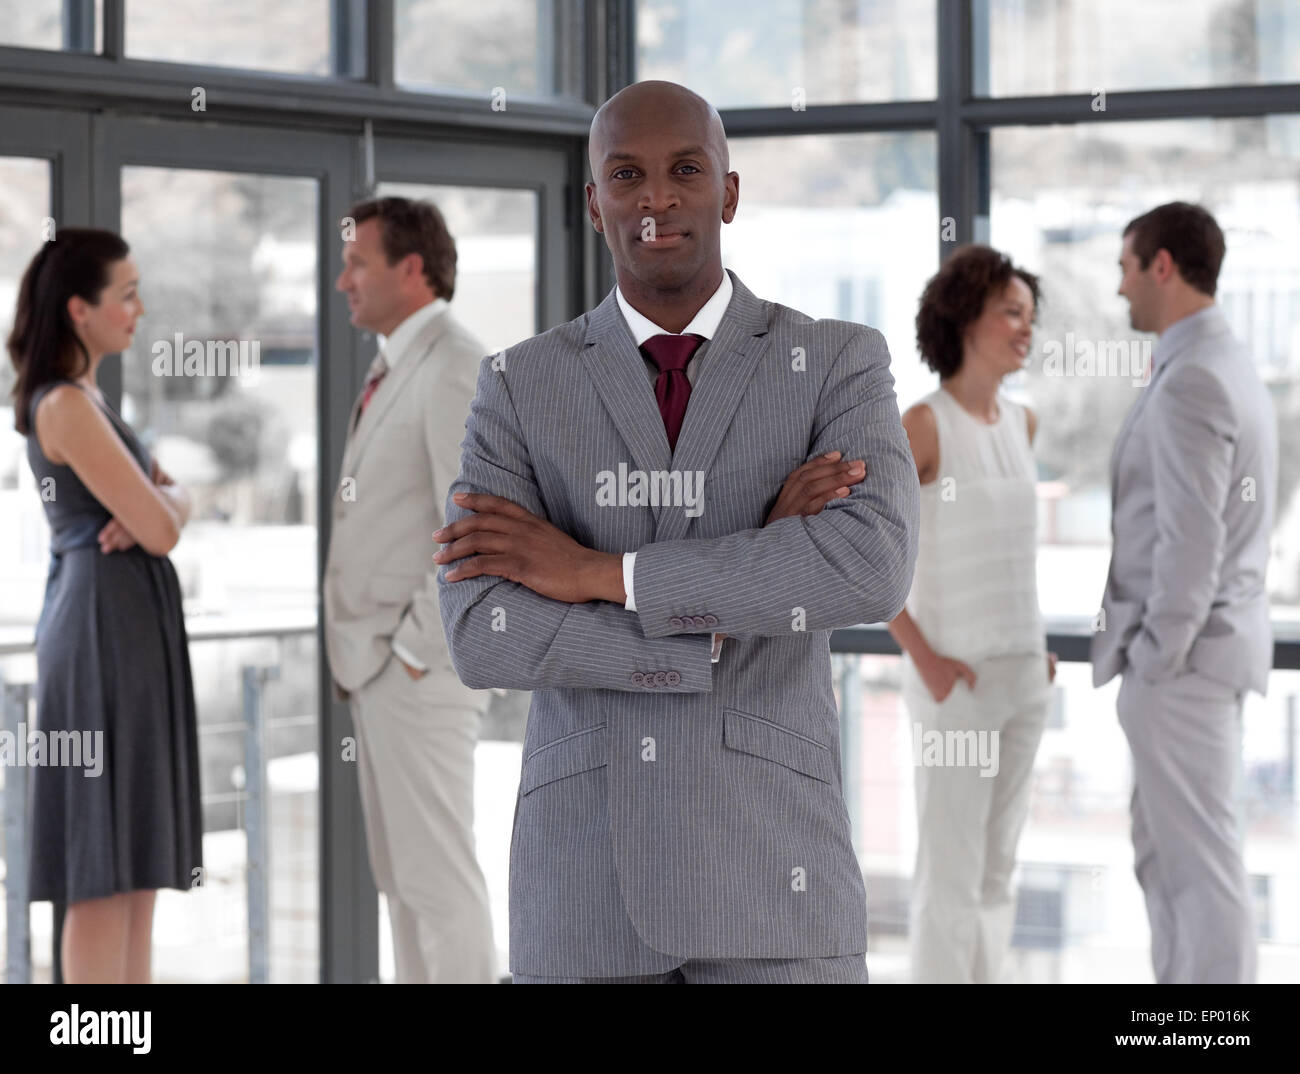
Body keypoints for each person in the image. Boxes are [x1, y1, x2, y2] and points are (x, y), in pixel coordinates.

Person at [433, 80, 919, 984]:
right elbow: (480, 633)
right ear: (594, 202)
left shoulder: (837, 363)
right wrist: (737, 599)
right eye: (627, 175)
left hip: (775, 881)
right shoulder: (519, 384)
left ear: (728, 192)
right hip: (583, 890)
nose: (655, 198)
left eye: (684, 170)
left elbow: (868, 567)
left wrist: (597, 572)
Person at [6, 228, 201, 984]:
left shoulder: (89, 399)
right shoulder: (66, 406)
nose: (140, 308)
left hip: (124, 626)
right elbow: (159, 523)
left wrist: (169, 500)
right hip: (99, 632)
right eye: (126, 294)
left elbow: (171, 504)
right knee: (101, 869)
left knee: (138, 866)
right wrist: (167, 503)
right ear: (80, 310)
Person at [1093, 201, 1277, 984]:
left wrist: (1157, 660)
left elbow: (1191, 543)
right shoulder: (1216, 359)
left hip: (1186, 668)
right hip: (1197, 662)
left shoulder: (1193, 376)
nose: (1120, 286)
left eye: (1127, 267)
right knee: (1169, 860)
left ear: (1163, 266)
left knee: (1200, 869)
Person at [324, 196, 496, 983]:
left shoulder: (454, 362)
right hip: (379, 672)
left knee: (439, 886)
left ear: (412, 269)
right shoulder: (396, 361)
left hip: (416, 672)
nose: (342, 281)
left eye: (357, 263)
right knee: (402, 887)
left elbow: (475, 528)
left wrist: (413, 653)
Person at [889, 244, 1055, 983]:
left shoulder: (1024, 426)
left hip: (1024, 679)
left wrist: (1036, 648)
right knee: (951, 879)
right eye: (1010, 312)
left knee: (999, 874)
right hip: (952, 685)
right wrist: (923, 657)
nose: (1025, 327)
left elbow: (1014, 557)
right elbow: (864, 557)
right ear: (965, 318)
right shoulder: (922, 425)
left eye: (1030, 315)